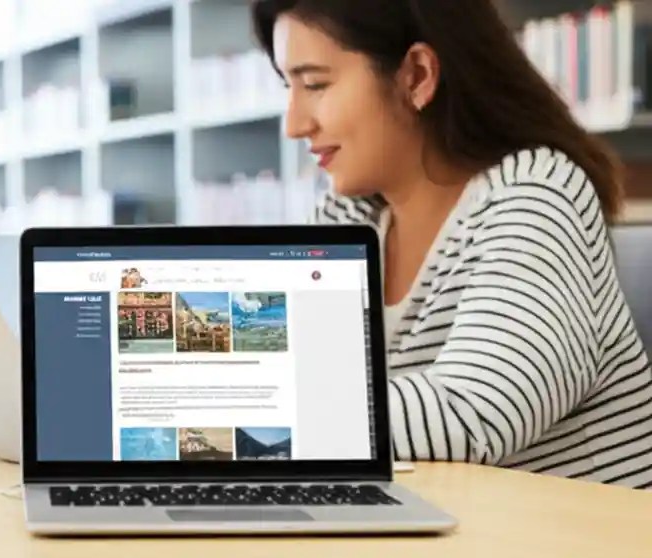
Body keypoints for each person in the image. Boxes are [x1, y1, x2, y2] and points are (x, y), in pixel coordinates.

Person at [251, 0, 652, 488]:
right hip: (448, 527)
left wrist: (239, 421)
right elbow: (293, 377)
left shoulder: (535, 194)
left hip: (576, 534)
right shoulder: (345, 217)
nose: (294, 124)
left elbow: (476, 412)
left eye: (315, 85)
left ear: (417, 76)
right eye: (288, 87)